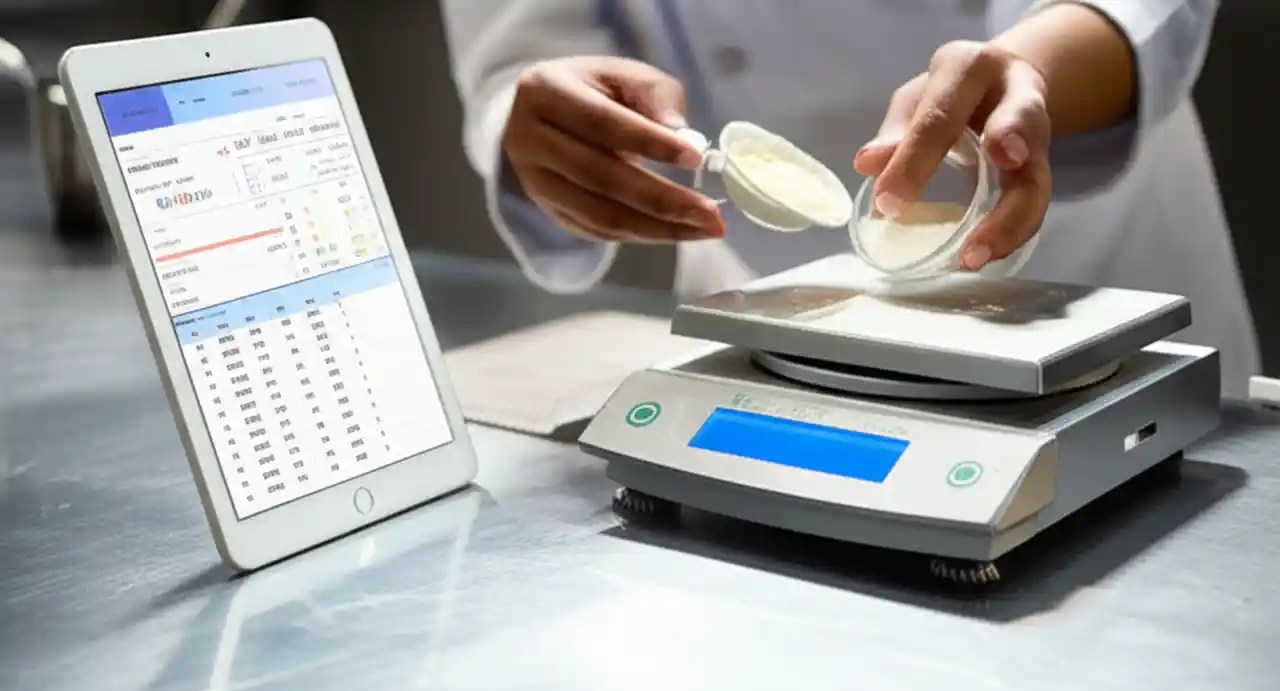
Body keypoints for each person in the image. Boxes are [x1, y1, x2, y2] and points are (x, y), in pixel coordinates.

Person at [442, 1, 1258, 396]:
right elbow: (524, 49)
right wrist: (542, 121)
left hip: (1086, 256)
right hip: (770, 310)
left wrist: (1034, 70)